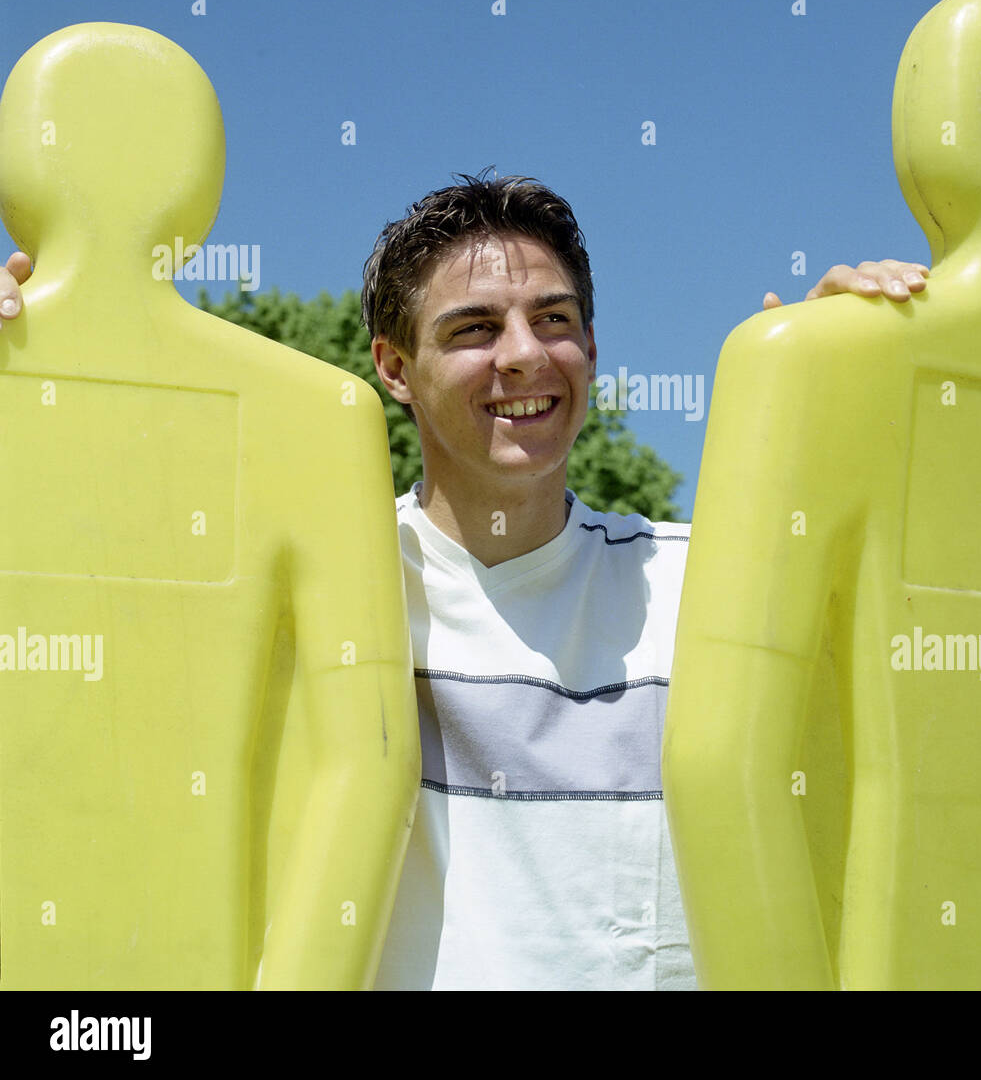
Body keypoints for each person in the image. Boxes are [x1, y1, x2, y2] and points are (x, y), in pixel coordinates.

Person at [0, 174, 929, 988]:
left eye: (555, 321)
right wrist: (57, 368)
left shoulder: (711, 586)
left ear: (593, 351)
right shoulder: (309, 595)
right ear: (394, 368)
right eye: (475, 329)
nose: (524, 355)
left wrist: (857, 379)